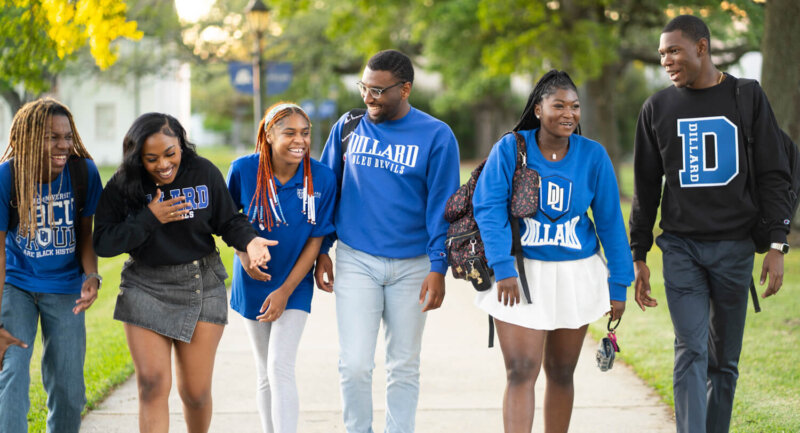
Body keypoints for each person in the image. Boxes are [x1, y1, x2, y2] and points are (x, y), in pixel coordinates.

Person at [629, 15, 792, 433]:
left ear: (702, 48)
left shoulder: (748, 97)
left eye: (674, 50)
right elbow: (646, 188)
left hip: (735, 248)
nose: (666, 60)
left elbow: (775, 172)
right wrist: (639, 254)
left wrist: (777, 244)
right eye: (662, 53)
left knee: (724, 362)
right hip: (681, 248)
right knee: (690, 350)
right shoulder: (657, 108)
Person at [92, 113, 276, 433]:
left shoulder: (203, 172)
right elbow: (104, 242)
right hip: (145, 286)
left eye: (170, 154)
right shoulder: (125, 184)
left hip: (200, 283)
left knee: (195, 392)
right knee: (151, 385)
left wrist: (250, 241)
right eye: (152, 158)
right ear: (138, 157)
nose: (163, 164)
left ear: (181, 144)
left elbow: (228, 221)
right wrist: (150, 218)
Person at [472, 70, 633, 433]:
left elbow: (610, 223)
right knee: (520, 370)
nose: (568, 113)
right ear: (539, 108)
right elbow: (488, 207)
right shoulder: (511, 148)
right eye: (558, 105)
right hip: (521, 274)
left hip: (575, 275)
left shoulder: (593, 156)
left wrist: (619, 283)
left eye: (574, 107)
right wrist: (503, 267)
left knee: (561, 371)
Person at [314, 49, 460, 433]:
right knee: (356, 363)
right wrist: (322, 249)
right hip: (356, 259)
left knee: (404, 364)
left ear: (405, 89)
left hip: (412, 266)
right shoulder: (347, 127)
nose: (368, 98)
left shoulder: (437, 135)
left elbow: (442, 206)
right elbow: (329, 189)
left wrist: (437, 267)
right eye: (365, 87)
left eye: (378, 91)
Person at [226, 102, 336, 433]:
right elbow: (228, 223)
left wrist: (285, 291)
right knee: (264, 370)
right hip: (253, 281)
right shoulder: (243, 170)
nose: (299, 140)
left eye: (305, 133)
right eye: (289, 133)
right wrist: (246, 259)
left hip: (295, 281)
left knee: (280, 365)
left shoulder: (322, 177)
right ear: (268, 135)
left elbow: (316, 240)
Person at [0, 97, 103, 433]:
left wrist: (92, 276)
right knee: (12, 369)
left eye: (67, 136)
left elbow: (85, 236)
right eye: (52, 137)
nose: (63, 145)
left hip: (66, 289)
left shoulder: (82, 171)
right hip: (17, 285)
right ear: (29, 138)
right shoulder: (7, 176)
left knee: (68, 386)